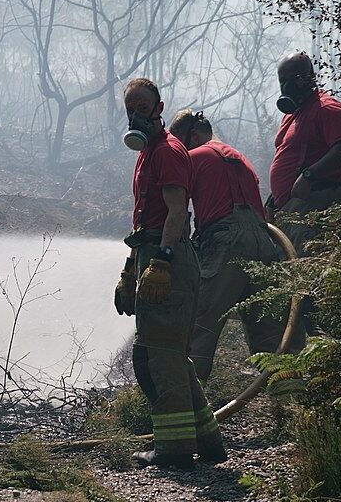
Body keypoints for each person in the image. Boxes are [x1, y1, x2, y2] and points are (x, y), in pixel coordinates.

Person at [114, 78, 226, 469]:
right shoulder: (147, 155)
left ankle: (175, 452)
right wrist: (132, 270)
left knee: (157, 356)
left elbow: (177, 212)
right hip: (153, 254)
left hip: (170, 260)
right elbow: (146, 219)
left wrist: (161, 261)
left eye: (142, 107)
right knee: (169, 355)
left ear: (159, 109)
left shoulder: (168, 151)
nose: (134, 115)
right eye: (129, 107)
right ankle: (209, 443)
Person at [169, 110, 305, 383]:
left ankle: (186, 400)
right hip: (263, 243)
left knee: (199, 324)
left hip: (225, 244)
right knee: (269, 327)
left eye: (179, 146)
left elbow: (176, 210)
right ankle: (294, 409)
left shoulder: (195, 157)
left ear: (193, 136)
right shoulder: (240, 158)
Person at [267, 52, 341, 333]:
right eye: (281, 81)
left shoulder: (328, 108)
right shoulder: (293, 116)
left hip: (318, 207)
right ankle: (313, 353)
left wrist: (310, 174)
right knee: (297, 282)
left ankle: (330, 350)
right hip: (293, 212)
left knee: (313, 282)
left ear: (306, 78)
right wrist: (274, 200)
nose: (285, 87)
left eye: (290, 80)